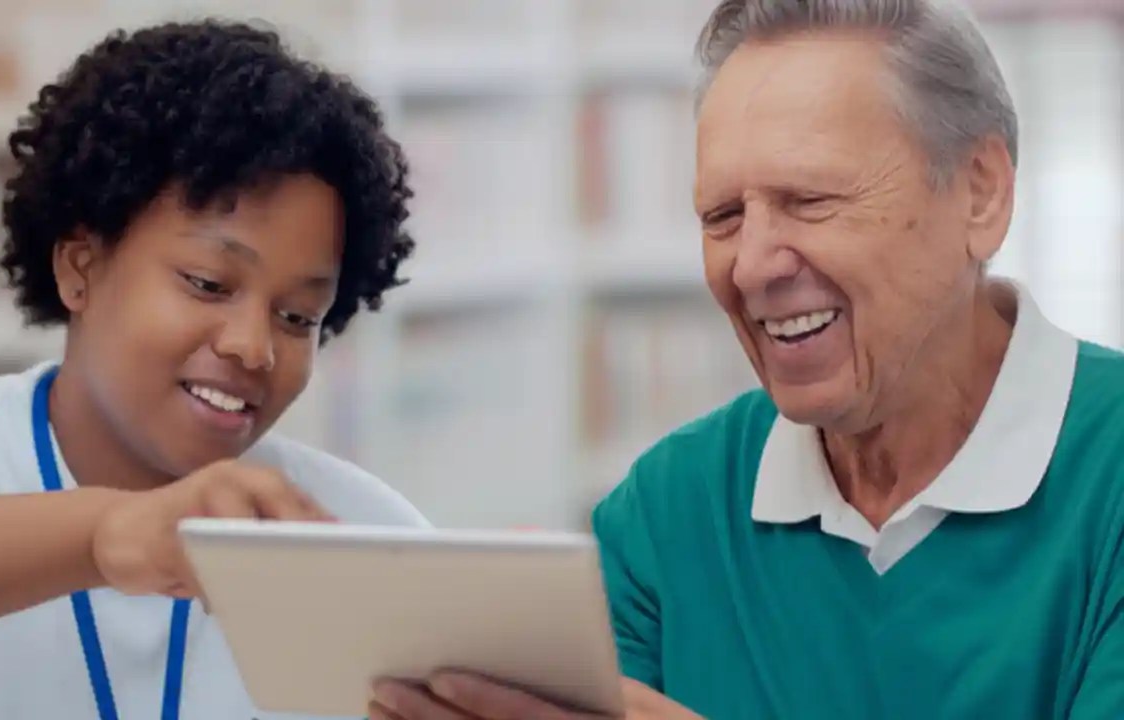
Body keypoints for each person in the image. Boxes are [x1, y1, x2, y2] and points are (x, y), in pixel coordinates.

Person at [368, 1, 1124, 719]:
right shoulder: (667, 509)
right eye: (722, 217)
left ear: (980, 195)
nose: (752, 266)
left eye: (810, 200)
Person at [0, 18, 425, 720]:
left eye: (298, 317)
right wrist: (105, 535)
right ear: (80, 267)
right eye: (208, 284)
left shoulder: (365, 535)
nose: (254, 347)